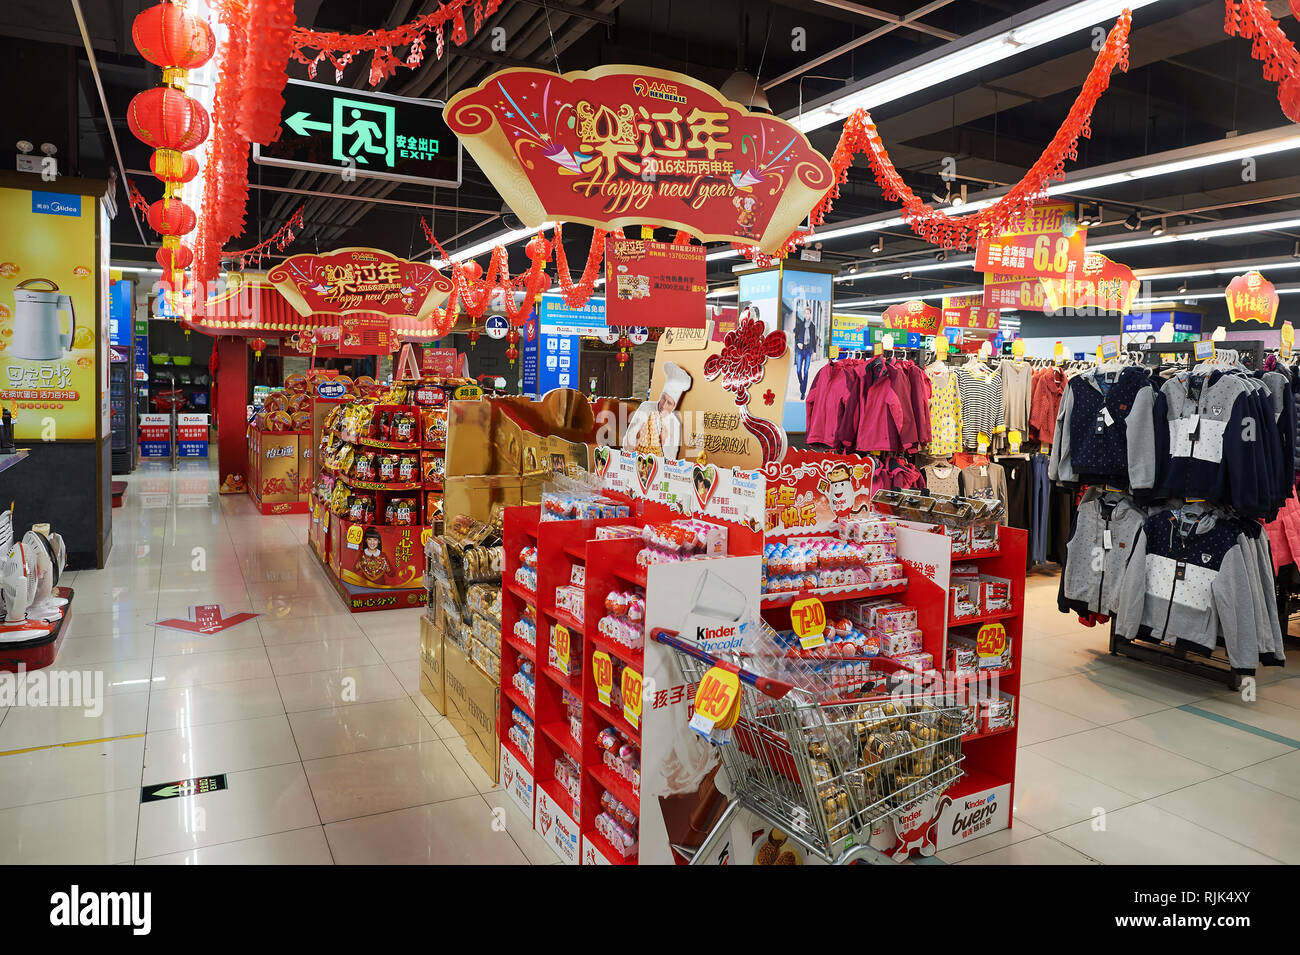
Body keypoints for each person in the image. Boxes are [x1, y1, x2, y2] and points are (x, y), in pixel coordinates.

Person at [794, 300, 816, 399]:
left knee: (806, 371)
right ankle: (802, 384)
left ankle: (803, 392)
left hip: (808, 351)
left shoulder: (812, 326)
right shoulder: (799, 325)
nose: (807, 315)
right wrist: (798, 343)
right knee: (798, 370)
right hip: (800, 350)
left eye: (808, 313)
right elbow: (796, 336)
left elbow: (814, 339)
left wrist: (814, 351)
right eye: (805, 313)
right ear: (804, 314)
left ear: (810, 314)